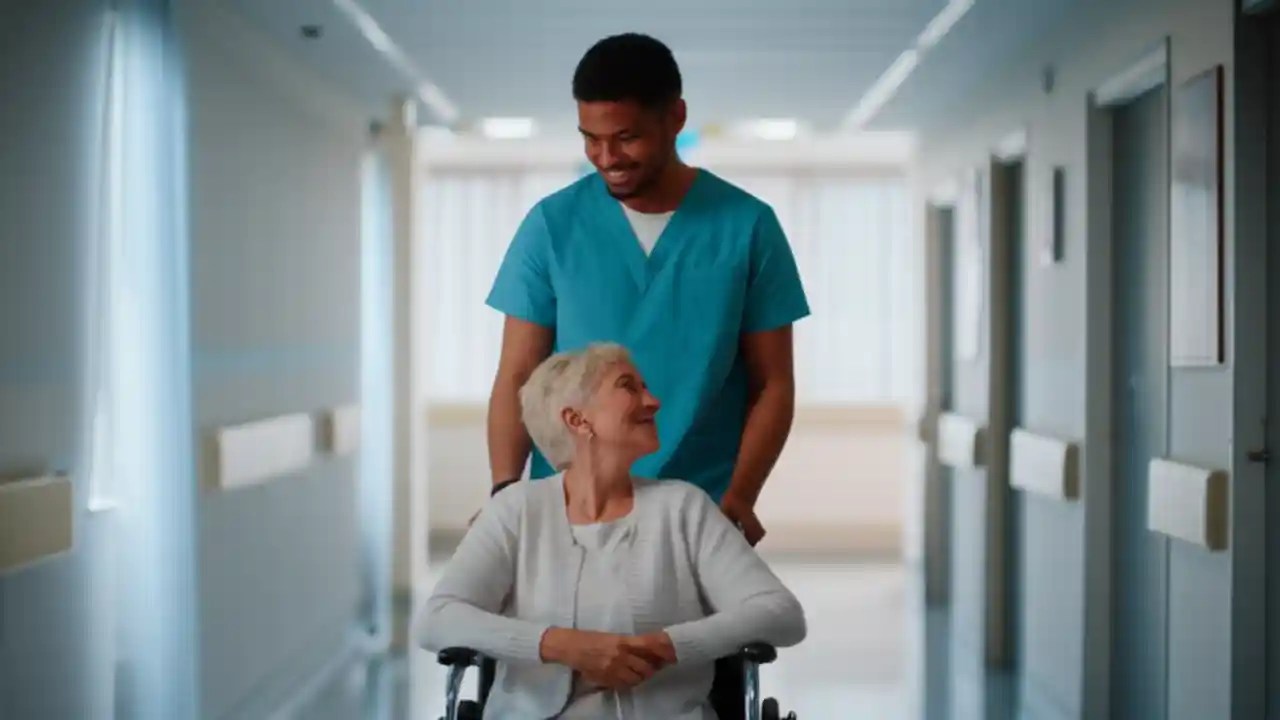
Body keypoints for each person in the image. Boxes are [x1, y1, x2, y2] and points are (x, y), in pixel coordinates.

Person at [485, 33, 810, 545]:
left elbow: (773, 383)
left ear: (675, 118)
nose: (606, 156)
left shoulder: (747, 227)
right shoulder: (553, 225)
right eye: (590, 138)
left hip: (703, 511)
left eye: (626, 137)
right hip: (571, 511)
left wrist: (742, 494)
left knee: (689, 631)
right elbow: (518, 373)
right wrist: (505, 491)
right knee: (572, 627)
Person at [420, 344, 806, 719]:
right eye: (629, 387)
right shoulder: (515, 511)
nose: (653, 401)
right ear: (577, 420)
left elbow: (780, 613)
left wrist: (665, 646)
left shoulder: (684, 508)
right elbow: (437, 619)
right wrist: (564, 646)